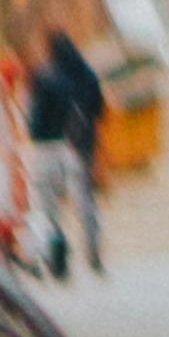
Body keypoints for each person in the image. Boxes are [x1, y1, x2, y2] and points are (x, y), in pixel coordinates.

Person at [20, 32, 108, 294]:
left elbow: (33, 121)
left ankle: (51, 255)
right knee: (85, 203)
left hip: (45, 150)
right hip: (77, 149)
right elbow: (99, 109)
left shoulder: (46, 78)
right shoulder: (85, 75)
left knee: (45, 208)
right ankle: (93, 253)